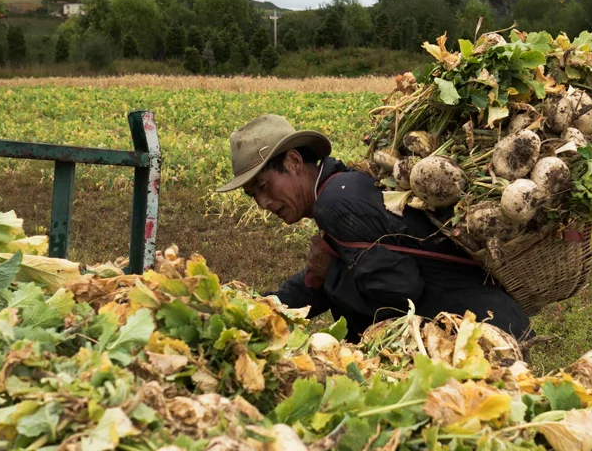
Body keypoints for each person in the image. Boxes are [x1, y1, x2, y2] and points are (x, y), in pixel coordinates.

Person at [216, 114, 530, 343]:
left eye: (262, 185)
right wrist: (265, 308)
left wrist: (331, 275)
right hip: (488, 325)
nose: (262, 202)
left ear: (295, 162)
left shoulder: (335, 204)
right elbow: (343, 270)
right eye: (252, 194)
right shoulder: (341, 188)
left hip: (481, 339)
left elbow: (397, 293)